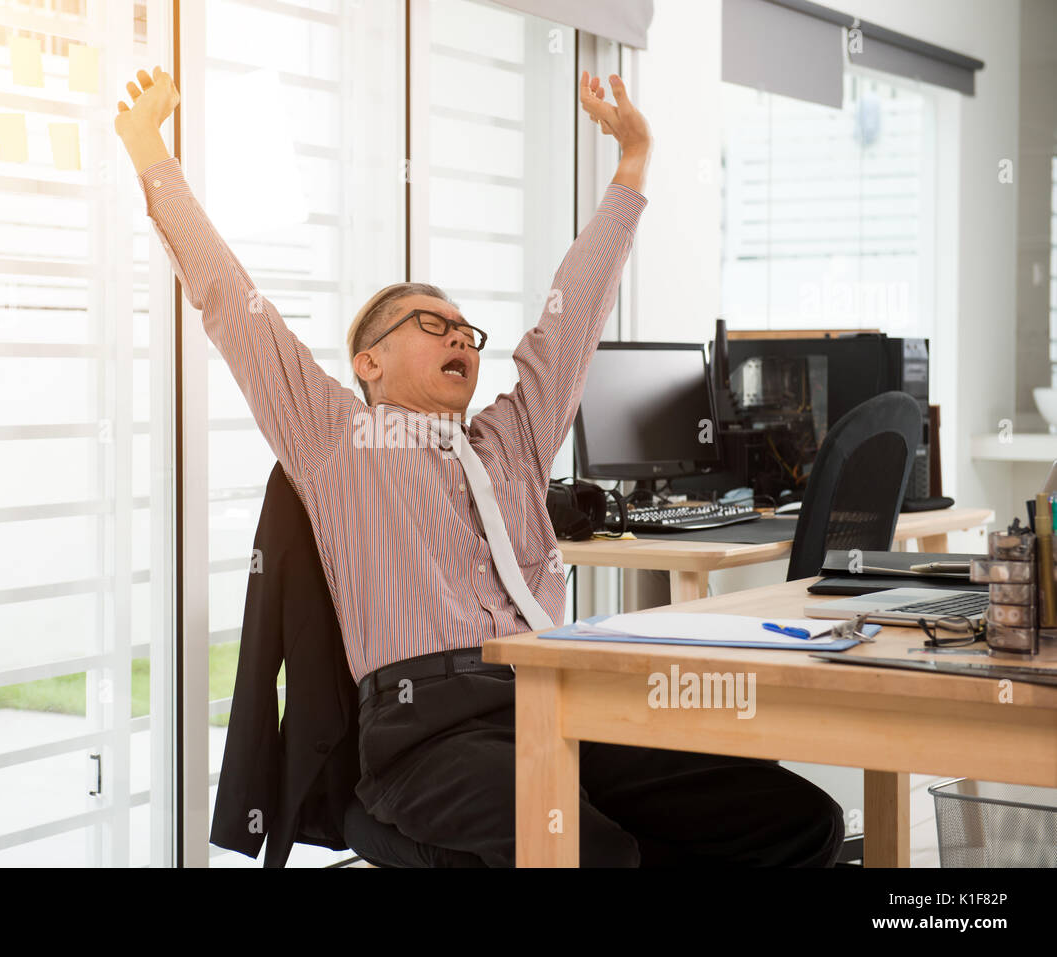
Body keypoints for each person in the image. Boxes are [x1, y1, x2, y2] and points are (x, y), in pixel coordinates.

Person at [115, 65, 844, 867]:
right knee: (589, 850)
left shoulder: (512, 438)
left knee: (799, 820)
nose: (462, 338)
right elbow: (230, 301)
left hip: (562, 698)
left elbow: (578, 306)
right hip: (430, 731)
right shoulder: (336, 440)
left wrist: (633, 160)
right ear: (370, 361)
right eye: (433, 324)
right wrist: (147, 147)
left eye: (468, 330)